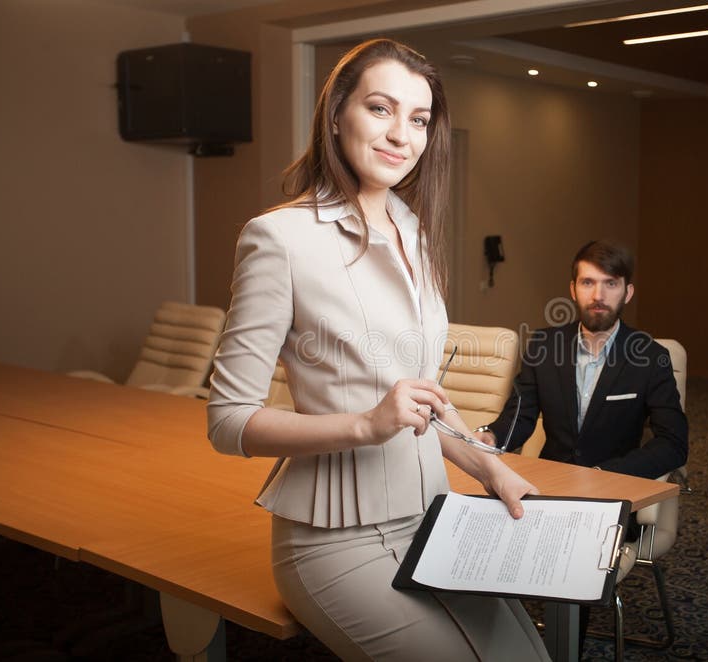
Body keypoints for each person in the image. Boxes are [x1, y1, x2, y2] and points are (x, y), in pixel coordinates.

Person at [207, 39, 549, 662]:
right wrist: (367, 424)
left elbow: (417, 402)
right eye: (381, 108)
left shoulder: (413, 230)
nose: (402, 135)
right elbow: (228, 422)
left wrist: (490, 469)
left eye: (418, 120)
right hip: (331, 540)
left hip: (428, 515)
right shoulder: (279, 238)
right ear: (337, 112)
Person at [477, 240, 688, 479]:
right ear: (573, 289)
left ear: (627, 292)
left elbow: (673, 444)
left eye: (610, 283)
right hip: (549, 484)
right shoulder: (543, 346)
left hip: (614, 487)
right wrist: (491, 435)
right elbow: (520, 416)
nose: (598, 295)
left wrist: (605, 475)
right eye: (588, 283)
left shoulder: (651, 357)